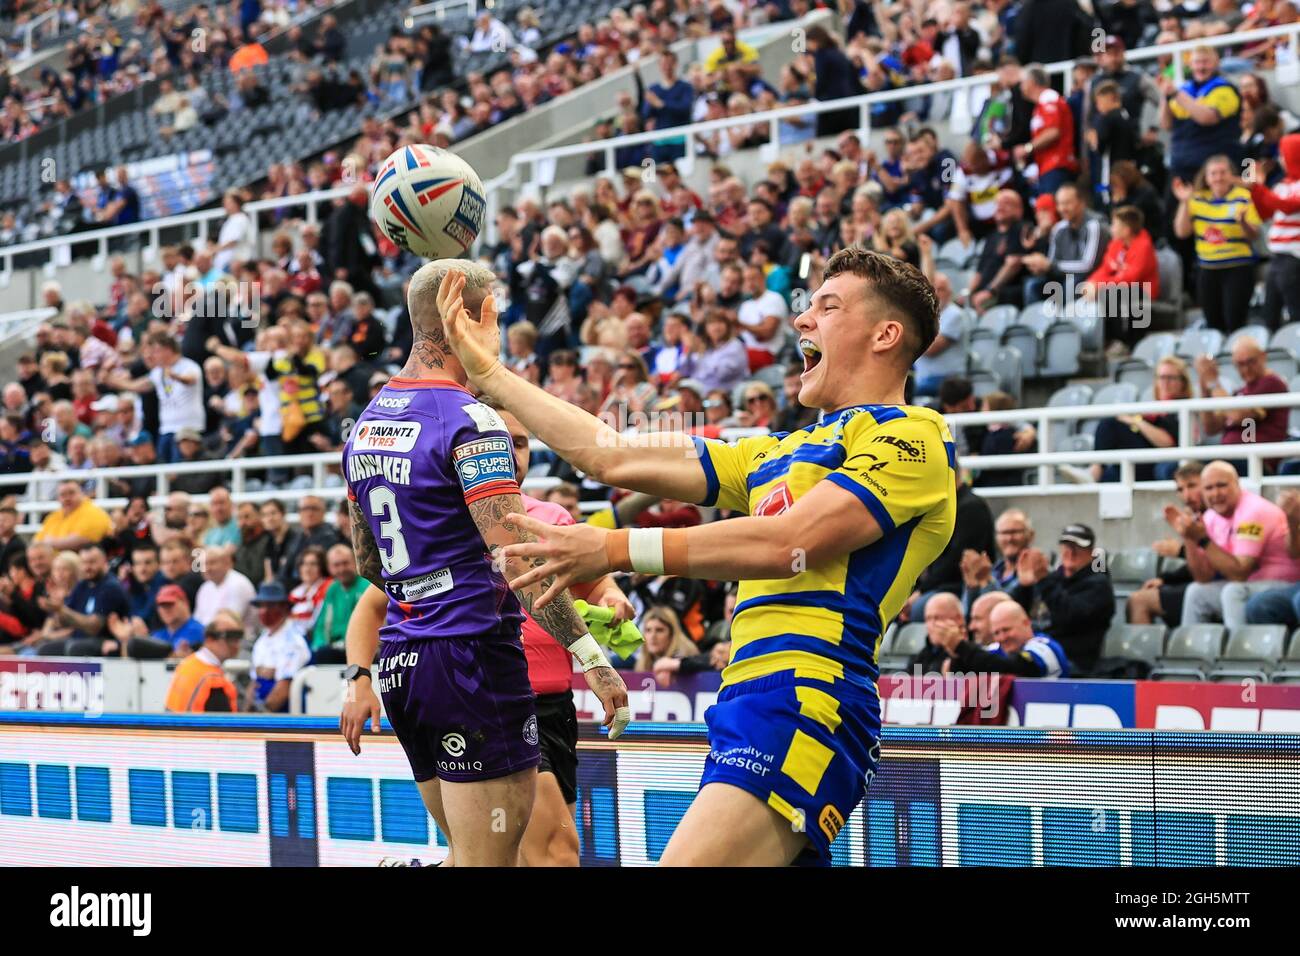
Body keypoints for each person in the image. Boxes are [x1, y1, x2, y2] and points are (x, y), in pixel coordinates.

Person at [439, 246, 956, 866]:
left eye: (827, 306)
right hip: (746, 696)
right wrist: (493, 375)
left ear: (886, 334)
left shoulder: (913, 436)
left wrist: (611, 547)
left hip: (808, 691)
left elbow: (789, 543)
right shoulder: (776, 451)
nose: (802, 320)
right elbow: (611, 454)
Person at [336, 259, 629, 869]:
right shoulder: (473, 420)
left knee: (471, 854)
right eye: (494, 315)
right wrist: (595, 662)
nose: (499, 332)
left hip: (403, 662)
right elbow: (517, 563)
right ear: (464, 317)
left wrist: (430, 573)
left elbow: (369, 561)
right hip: (471, 658)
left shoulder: (365, 424)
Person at [1174, 461, 1300, 628]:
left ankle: (1241, 652)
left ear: (1237, 484)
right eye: (1209, 488)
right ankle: (1189, 652)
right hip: (1250, 585)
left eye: (1222, 485)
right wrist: (1189, 538)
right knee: (1196, 591)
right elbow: (1203, 577)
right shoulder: (1211, 516)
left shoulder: (1253, 510)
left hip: (1283, 583)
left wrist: (1203, 540)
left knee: (1233, 592)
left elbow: (1240, 572)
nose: (1216, 493)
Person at [1006, 523, 1115, 674]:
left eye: (1077, 547)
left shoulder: (1099, 586)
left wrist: (1043, 581)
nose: (1070, 552)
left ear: (1091, 552)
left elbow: (1069, 616)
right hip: (1033, 652)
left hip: (1072, 663)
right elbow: (1013, 615)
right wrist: (1024, 587)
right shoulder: (1052, 579)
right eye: (1066, 546)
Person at [1173, 156, 1261, 332]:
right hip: (1208, 270)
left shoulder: (1243, 197)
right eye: (1213, 173)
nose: (1219, 177)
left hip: (1238, 267)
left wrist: (1243, 222)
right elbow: (1182, 233)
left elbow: (1254, 235)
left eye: (1223, 172)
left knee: (1235, 321)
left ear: (1231, 175)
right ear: (1206, 178)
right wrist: (1184, 202)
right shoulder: (1196, 199)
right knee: (1213, 324)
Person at [1128, 463, 1207, 627]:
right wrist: (1166, 580)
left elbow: (1217, 561)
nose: (1186, 495)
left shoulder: (1218, 515)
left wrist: (1180, 550)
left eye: (1192, 486)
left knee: (1139, 601)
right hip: (1201, 583)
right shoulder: (1195, 517)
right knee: (1140, 595)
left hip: (1219, 586)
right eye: (1180, 489)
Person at [107, 332, 204, 465]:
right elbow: (138, 386)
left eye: (157, 351)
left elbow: (191, 379)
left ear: (168, 350)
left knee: (180, 469)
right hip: (166, 429)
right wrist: (110, 380)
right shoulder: (158, 372)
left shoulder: (189, 366)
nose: (153, 355)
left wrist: (176, 376)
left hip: (187, 429)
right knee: (163, 469)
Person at [1195, 337, 1288, 473]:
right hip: (1232, 458)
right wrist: (1205, 387)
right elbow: (1211, 428)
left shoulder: (1272, 383)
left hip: (1256, 462)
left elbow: (1237, 415)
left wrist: (1214, 383)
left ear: (1263, 357)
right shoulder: (1240, 392)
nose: (1246, 369)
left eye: (1250, 362)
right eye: (1240, 364)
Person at [1091, 356, 1188, 482]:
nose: (1165, 383)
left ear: (1183, 382)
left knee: (1111, 425)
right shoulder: (1152, 410)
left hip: (1159, 462)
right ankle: (1095, 470)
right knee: (1109, 426)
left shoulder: (1185, 410)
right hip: (1140, 461)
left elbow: (1167, 443)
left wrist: (1136, 421)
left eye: (1170, 378)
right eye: (1161, 377)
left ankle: (1094, 472)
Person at [933, 600, 1071, 677]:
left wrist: (961, 646)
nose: (1002, 638)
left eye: (1006, 630)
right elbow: (966, 673)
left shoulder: (1045, 647)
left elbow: (1014, 668)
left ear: (1026, 623)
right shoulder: (996, 650)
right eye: (996, 633)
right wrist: (955, 655)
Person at [247, 581, 311, 713]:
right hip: (259, 710)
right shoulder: (261, 641)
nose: (264, 610)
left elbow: (283, 688)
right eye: (261, 606)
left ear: (284, 608)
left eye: (270, 605)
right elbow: (254, 683)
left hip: (283, 716)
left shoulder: (294, 641)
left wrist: (263, 717)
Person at [164, 610, 244, 712]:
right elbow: (221, 726)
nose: (236, 645)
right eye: (231, 638)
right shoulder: (214, 682)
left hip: (174, 727)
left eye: (238, 638)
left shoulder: (187, 664)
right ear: (209, 638)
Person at [959, 508, 1035, 610]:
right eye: (1004, 533)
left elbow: (1003, 612)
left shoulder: (1036, 571)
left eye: (1015, 532)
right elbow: (970, 617)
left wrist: (986, 581)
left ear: (1030, 535)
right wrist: (972, 588)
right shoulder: (993, 570)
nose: (1009, 539)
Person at [108, 583, 203, 659]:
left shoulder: (197, 630)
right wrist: (126, 640)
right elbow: (130, 666)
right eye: (161, 605)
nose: (165, 609)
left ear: (184, 603)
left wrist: (143, 641)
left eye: (170, 604)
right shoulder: (159, 634)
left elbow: (176, 662)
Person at [34, 479, 113, 551]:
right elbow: (36, 542)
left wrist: (50, 542)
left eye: (71, 493)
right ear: (58, 498)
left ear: (82, 494)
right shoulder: (54, 516)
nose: (67, 498)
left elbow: (80, 541)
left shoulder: (93, 512)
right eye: (63, 495)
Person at [193, 544, 257, 631]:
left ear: (228, 563)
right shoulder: (205, 587)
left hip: (238, 638)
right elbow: (197, 620)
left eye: (212, 563)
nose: (207, 568)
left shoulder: (238, 584)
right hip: (211, 636)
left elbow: (230, 622)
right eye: (204, 564)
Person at [906, 591, 968, 674]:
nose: (931, 625)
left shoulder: (969, 656)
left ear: (958, 619)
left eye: (937, 618)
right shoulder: (922, 656)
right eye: (928, 619)